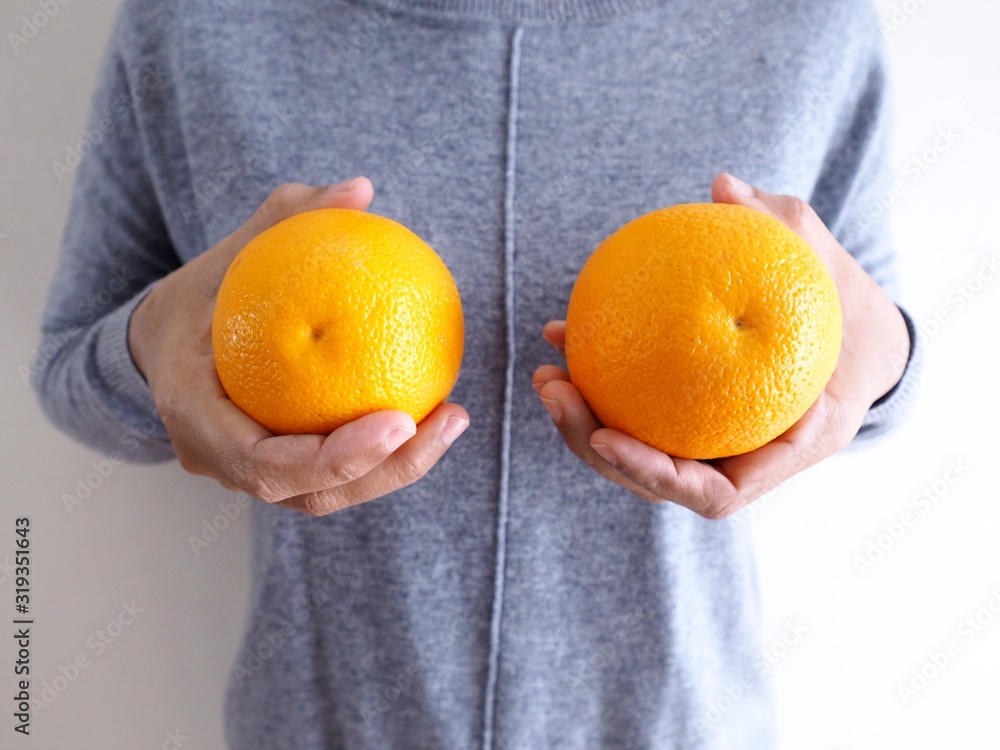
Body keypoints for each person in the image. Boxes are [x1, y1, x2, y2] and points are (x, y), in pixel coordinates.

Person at [33, 0, 921, 747]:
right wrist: (155, 348)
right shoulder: (193, 21)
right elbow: (71, 367)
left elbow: (868, 368)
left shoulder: (809, 22)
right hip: (322, 723)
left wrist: (887, 366)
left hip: (677, 722)